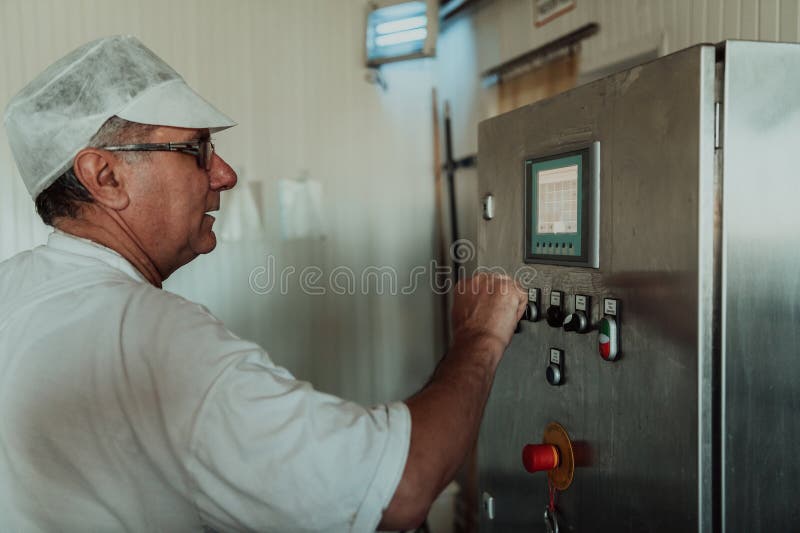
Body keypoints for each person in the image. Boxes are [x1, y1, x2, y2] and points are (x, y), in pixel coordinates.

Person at [0, 36, 526, 532]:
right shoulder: (155, 340)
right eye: (197, 149)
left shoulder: (13, 290)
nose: (225, 175)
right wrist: (481, 337)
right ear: (105, 177)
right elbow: (401, 486)